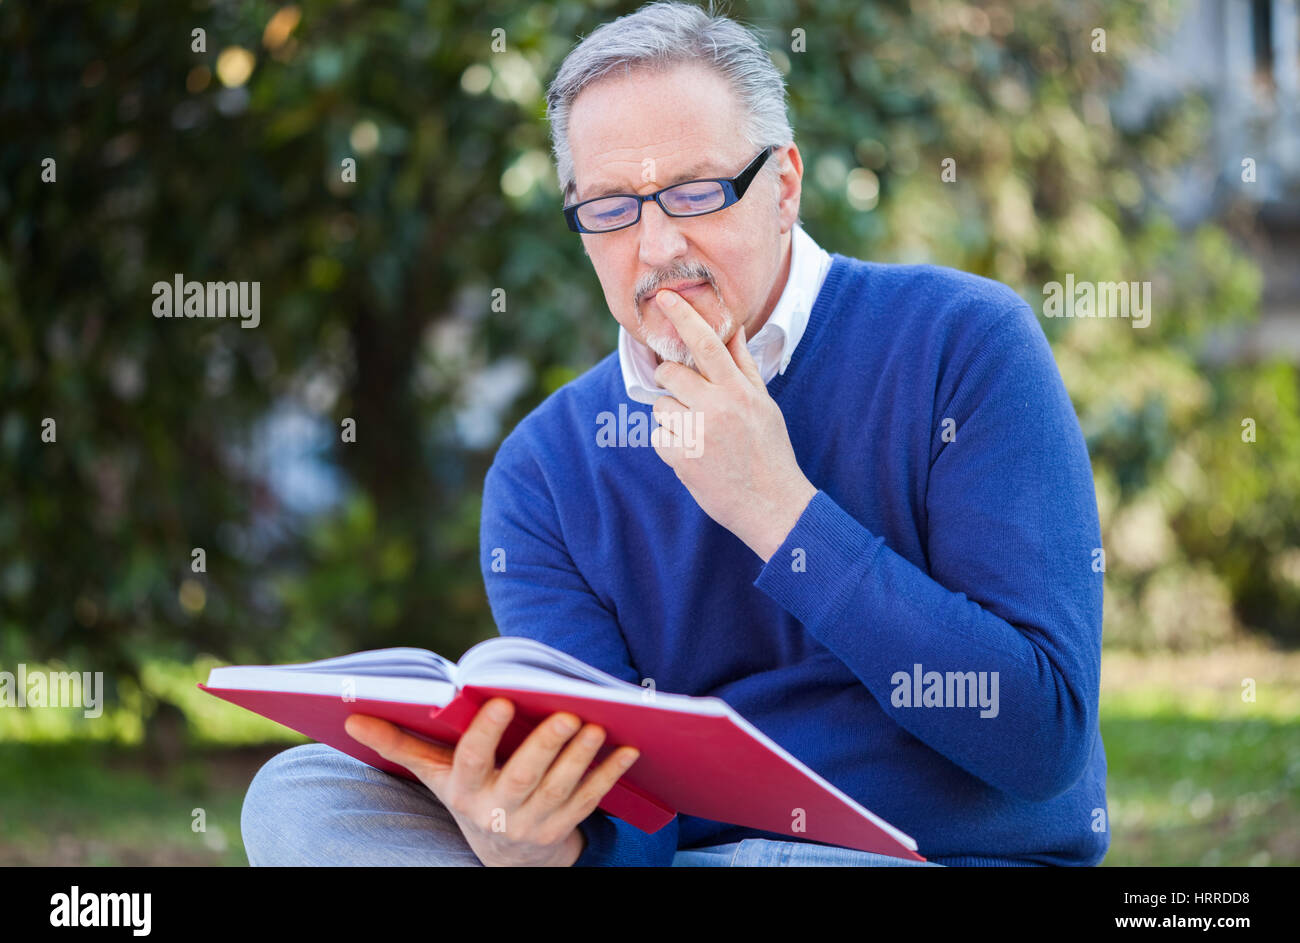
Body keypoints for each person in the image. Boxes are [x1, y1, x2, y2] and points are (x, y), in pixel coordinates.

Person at [241, 1, 1108, 867]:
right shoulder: (544, 473)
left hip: (929, 860)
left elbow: (1039, 741)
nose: (656, 248)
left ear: (784, 186)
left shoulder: (963, 342)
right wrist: (539, 844)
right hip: (689, 861)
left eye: (695, 192)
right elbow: (622, 824)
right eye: (612, 208)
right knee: (303, 798)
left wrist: (778, 510)